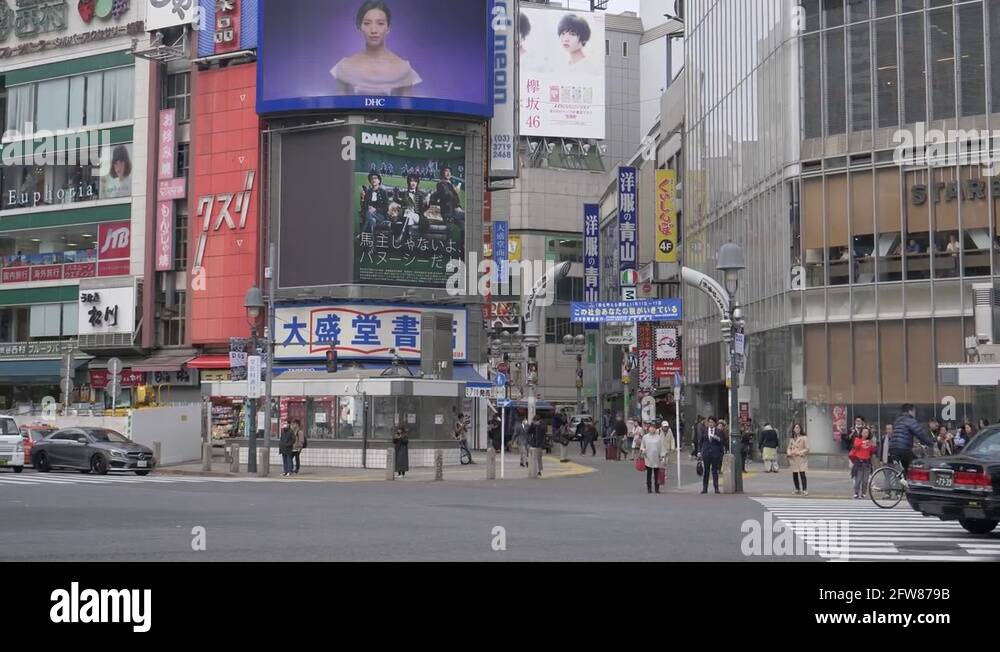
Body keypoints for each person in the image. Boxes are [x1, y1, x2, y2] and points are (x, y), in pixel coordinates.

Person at [329, 1, 422, 96]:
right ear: (359, 27)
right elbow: (341, 108)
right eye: (367, 23)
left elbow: (406, 109)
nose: (373, 30)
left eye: (380, 23)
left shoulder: (403, 68)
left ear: (388, 28)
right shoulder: (345, 66)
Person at [888, 404, 935, 473]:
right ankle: (911, 481)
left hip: (893, 448)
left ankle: (902, 480)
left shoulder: (897, 420)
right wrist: (931, 442)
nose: (915, 414)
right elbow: (920, 434)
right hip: (903, 449)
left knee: (903, 469)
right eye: (914, 412)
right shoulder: (911, 421)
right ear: (910, 411)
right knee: (916, 463)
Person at [698, 416, 727, 494]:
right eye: (709, 422)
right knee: (706, 471)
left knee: (715, 471)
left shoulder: (718, 431)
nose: (711, 424)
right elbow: (701, 441)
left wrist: (718, 439)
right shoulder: (704, 430)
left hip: (715, 453)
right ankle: (705, 488)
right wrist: (699, 452)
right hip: (706, 453)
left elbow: (723, 442)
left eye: (712, 422)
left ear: (715, 423)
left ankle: (716, 488)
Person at [849, 426, 876, 499]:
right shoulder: (857, 439)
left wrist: (872, 445)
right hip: (859, 462)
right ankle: (856, 492)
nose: (865, 434)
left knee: (865, 480)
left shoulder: (869, 441)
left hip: (867, 463)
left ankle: (863, 493)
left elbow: (873, 451)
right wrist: (863, 442)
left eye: (867, 432)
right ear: (861, 433)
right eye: (864, 432)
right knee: (858, 479)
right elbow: (856, 445)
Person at [640, 422, 667, 494]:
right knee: (649, 473)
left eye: (654, 428)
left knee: (657, 474)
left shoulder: (658, 437)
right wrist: (643, 451)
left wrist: (662, 456)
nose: (652, 429)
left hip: (657, 458)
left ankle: (657, 488)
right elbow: (642, 446)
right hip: (648, 458)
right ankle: (649, 488)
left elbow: (662, 447)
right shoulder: (645, 437)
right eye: (651, 428)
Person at [787, 424, 809, 495]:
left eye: (798, 428)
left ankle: (804, 489)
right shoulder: (792, 439)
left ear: (800, 429)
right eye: (795, 428)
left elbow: (807, 448)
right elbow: (789, 447)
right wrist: (789, 452)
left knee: (802, 473)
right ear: (793, 429)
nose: (797, 429)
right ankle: (797, 489)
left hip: (801, 458)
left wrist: (799, 452)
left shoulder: (804, 438)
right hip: (793, 458)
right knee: (794, 474)